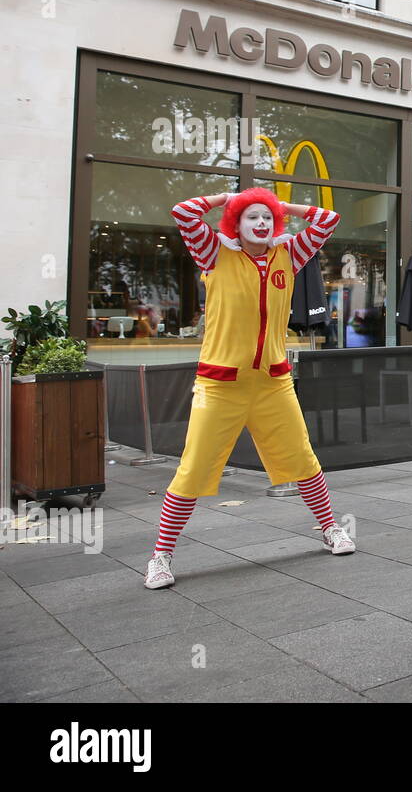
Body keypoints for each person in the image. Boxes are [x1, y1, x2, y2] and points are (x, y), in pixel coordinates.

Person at [145, 190, 352, 590]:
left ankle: (330, 530)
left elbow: (327, 219)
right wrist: (228, 197)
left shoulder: (287, 255)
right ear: (234, 223)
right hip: (220, 384)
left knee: (303, 460)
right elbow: (183, 211)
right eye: (250, 217)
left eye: (266, 218)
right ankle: (160, 556)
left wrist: (281, 207)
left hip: (273, 383)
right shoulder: (212, 252)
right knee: (192, 470)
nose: (260, 223)